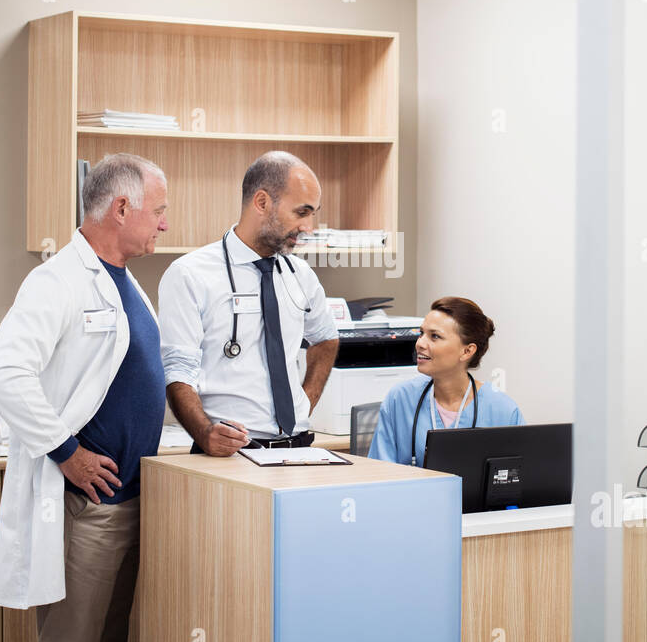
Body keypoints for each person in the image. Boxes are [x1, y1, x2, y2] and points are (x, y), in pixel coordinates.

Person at [0, 153, 168, 642]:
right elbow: (0, 372)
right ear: (122, 207)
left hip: (130, 500)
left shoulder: (126, 284)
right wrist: (67, 452)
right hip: (90, 509)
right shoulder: (57, 280)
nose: (165, 223)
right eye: (159, 210)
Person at [159, 151, 339, 455]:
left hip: (298, 450)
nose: (309, 226)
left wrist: (304, 402)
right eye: (301, 212)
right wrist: (205, 433)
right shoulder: (190, 274)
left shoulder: (301, 274)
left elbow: (325, 339)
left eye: (313, 213)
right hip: (231, 452)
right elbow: (177, 372)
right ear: (262, 202)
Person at [367, 297, 523, 466]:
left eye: (434, 336)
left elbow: (519, 479)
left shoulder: (503, 410)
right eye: (421, 333)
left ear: (467, 351)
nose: (420, 343)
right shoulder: (400, 399)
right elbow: (380, 473)